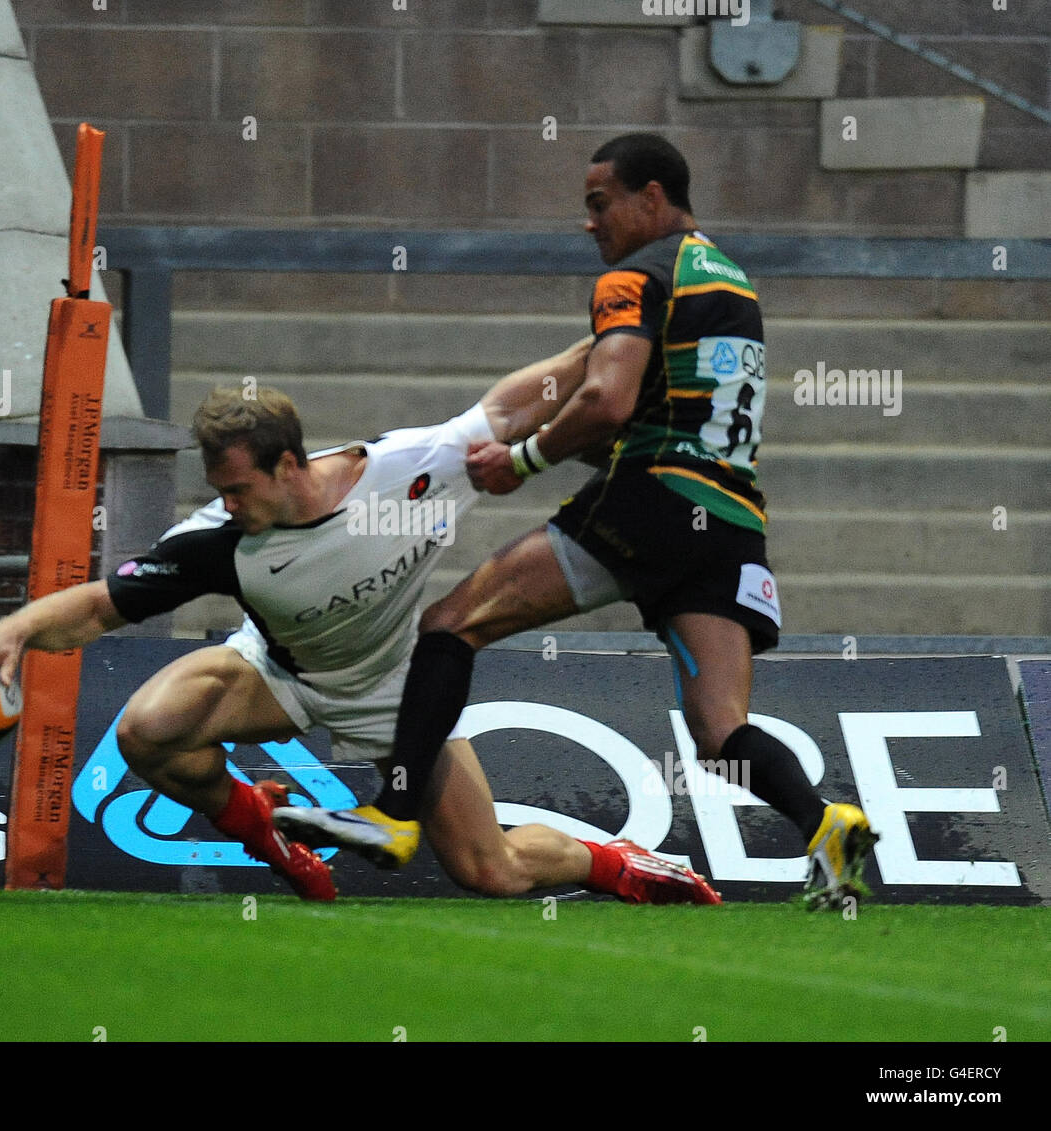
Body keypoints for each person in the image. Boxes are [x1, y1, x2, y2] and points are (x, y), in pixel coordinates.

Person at [273, 132, 878, 911]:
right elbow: (675, 410)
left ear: (650, 197)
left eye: (600, 205)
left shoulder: (637, 275)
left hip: (655, 500)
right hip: (731, 523)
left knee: (451, 626)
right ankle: (826, 820)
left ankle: (392, 813)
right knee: (721, 730)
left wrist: (522, 458)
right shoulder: (730, 278)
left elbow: (608, 398)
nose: (590, 225)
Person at [0, 337, 720, 905]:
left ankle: (614, 863)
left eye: (239, 488)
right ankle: (260, 826)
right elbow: (99, 606)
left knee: (494, 871)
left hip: (400, 688)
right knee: (148, 729)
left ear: (288, 464)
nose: (228, 505)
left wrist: (623, 336)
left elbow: (524, 399)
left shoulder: (412, 470)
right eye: (220, 490)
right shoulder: (219, 542)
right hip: (280, 677)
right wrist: (11, 634)